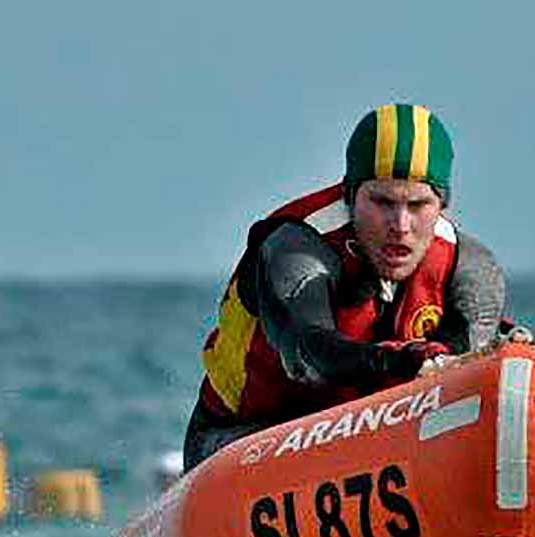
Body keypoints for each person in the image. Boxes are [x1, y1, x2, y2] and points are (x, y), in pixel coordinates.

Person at [185, 103, 512, 469]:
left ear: (441, 205)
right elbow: (307, 355)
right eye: (381, 202)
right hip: (241, 437)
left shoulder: (471, 267)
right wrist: (405, 361)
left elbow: (467, 362)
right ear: (350, 194)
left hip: (374, 434)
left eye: (418, 204)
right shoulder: (296, 246)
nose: (400, 225)